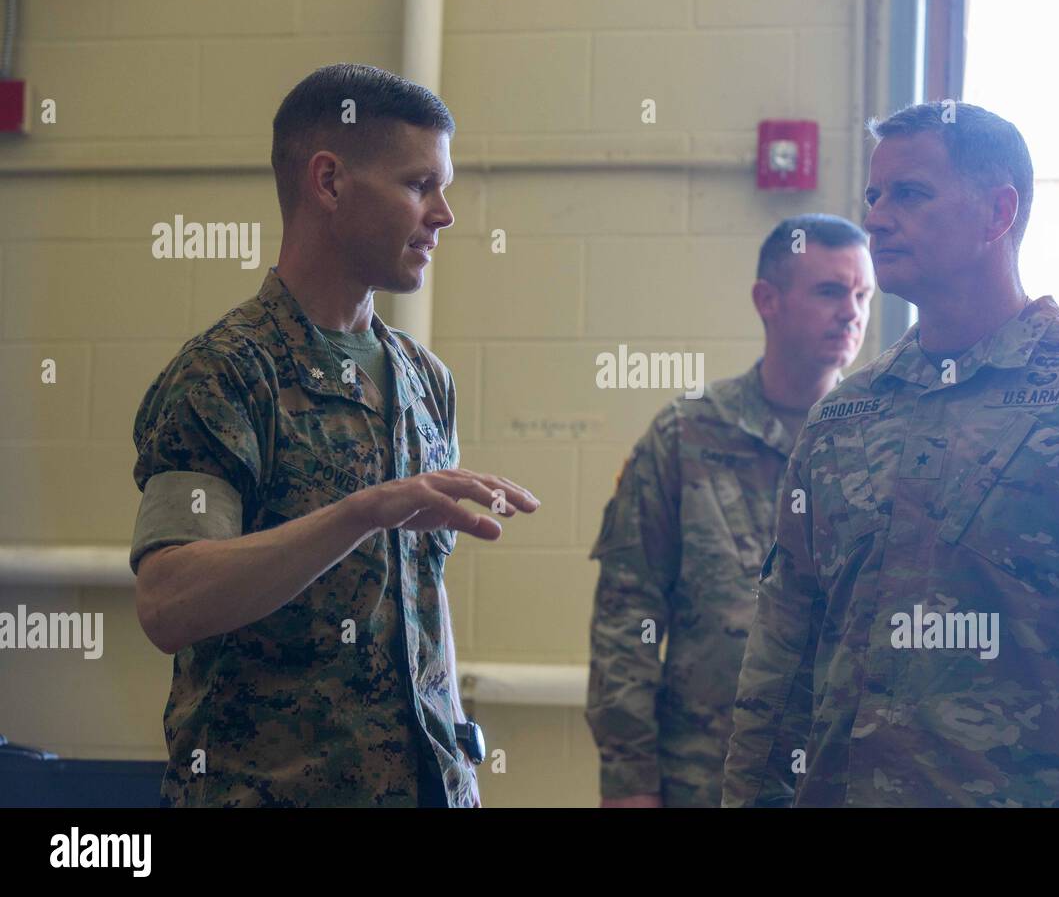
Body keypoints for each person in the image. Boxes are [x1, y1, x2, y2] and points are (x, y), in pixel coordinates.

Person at [723, 101, 1059, 807]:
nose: (877, 217)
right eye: (875, 195)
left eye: (909, 193)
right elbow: (778, 673)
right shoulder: (846, 417)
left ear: (998, 213)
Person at [129, 63, 538, 807]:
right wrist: (363, 511)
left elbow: (417, 610)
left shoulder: (422, 378)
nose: (443, 214)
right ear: (329, 183)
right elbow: (168, 600)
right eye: (420, 185)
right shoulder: (225, 374)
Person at [587, 214, 873, 807]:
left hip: (844, 779)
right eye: (829, 291)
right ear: (767, 300)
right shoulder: (687, 433)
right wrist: (629, 781)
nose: (852, 312)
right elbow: (627, 614)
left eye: (863, 294)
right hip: (704, 778)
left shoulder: (878, 441)